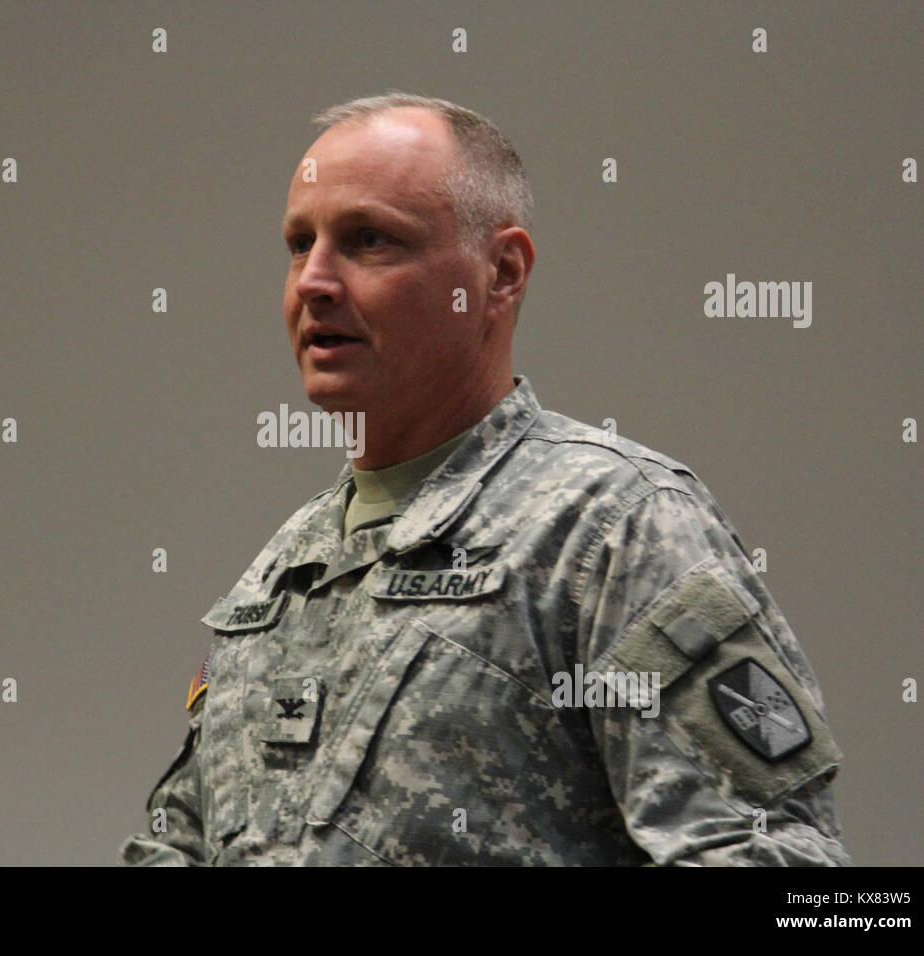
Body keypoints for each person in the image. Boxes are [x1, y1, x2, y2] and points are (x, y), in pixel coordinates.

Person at [118, 92, 851, 866]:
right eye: (300, 244)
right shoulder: (279, 577)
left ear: (501, 274)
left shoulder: (612, 530)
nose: (313, 283)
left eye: (368, 240)